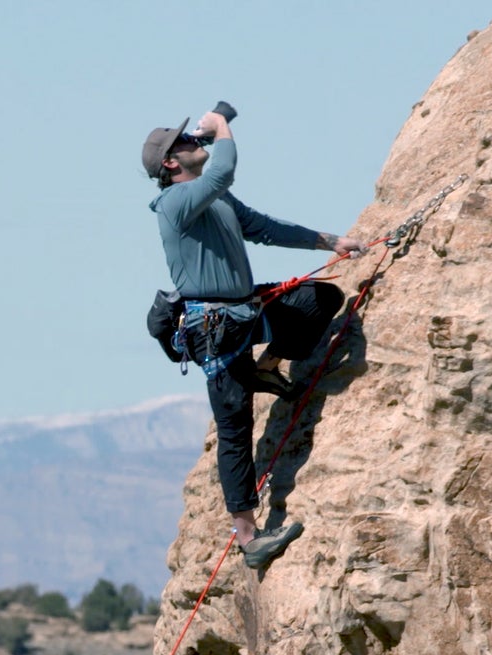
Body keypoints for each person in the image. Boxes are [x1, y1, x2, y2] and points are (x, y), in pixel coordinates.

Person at [141, 108, 367, 570]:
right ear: (170, 164)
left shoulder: (217, 201)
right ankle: (248, 538)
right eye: (183, 140)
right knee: (234, 428)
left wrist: (331, 242)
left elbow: (266, 228)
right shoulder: (175, 202)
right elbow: (222, 169)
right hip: (214, 328)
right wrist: (220, 126)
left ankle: (268, 366)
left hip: (246, 311)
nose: (191, 139)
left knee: (319, 300)